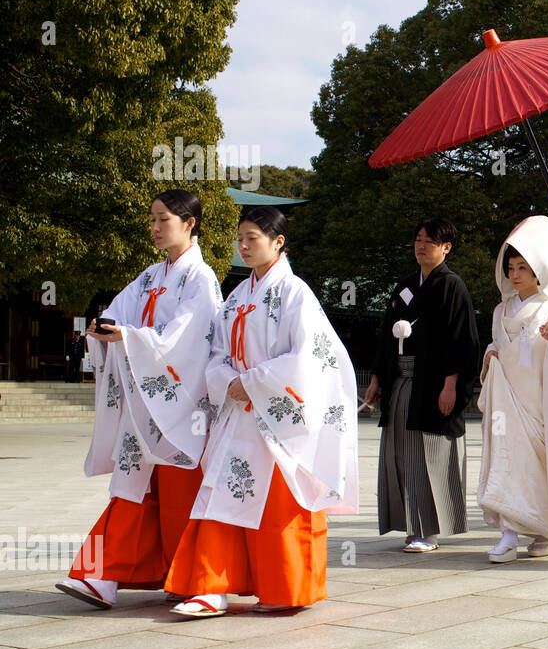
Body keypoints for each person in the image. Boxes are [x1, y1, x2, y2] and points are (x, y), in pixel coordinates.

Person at [166, 206, 359, 617]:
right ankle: (209, 587)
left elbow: (308, 358)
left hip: (277, 416)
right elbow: (216, 353)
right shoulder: (236, 296)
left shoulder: (295, 293)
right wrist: (225, 381)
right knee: (221, 496)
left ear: (278, 242)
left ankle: (283, 588)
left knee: (276, 505)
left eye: (252, 238)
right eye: (241, 239)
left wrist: (251, 382)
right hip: (239, 412)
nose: (243, 246)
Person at [56, 190, 222, 610]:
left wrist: (128, 336)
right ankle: (100, 577)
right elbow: (119, 312)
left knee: (180, 492)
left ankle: (193, 577)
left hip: (181, 406)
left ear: (189, 223)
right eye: (151, 220)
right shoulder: (149, 277)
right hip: (142, 403)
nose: (154, 228)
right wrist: (104, 329)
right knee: (129, 487)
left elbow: (185, 341)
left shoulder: (200, 279)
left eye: (163, 219)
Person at [367, 219, 479, 552]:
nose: (421, 246)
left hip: (433, 382)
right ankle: (409, 524)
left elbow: (462, 341)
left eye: (429, 241)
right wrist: (376, 377)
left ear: (447, 248)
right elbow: (385, 336)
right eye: (418, 240)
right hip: (400, 380)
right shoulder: (404, 287)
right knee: (401, 452)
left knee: (428, 453)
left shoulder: (452, 286)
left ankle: (428, 530)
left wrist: (452, 385)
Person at [477, 216, 548, 562]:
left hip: (538, 404)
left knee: (538, 468)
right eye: (511, 267)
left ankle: (546, 527)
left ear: (538, 272)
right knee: (505, 463)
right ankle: (508, 534)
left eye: (523, 267)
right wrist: (490, 355)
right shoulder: (500, 310)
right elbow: (495, 346)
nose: (516, 273)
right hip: (507, 404)